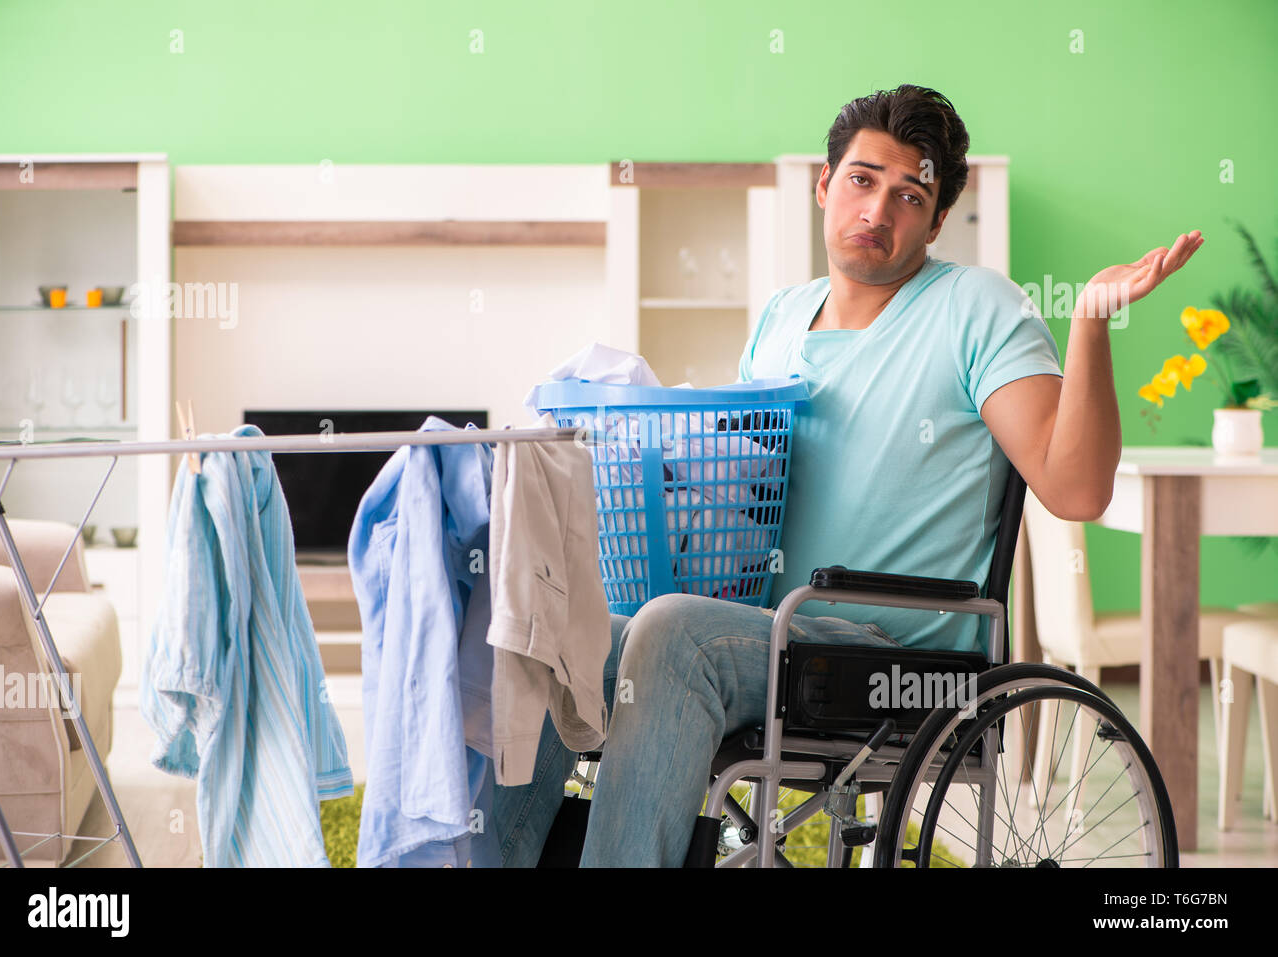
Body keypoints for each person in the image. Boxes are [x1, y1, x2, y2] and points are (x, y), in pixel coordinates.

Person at [491, 84, 1204, 867]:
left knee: (668, 635)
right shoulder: (780, 318)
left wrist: (1091, 321)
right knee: (551, 627)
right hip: (772, 630)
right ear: (824, 188)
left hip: (896, 661)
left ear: (937, 222)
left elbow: (1077, 490)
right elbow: (743, 491)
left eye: (910, 194)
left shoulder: (979, 309)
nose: (879, 210)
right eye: (863, 181)